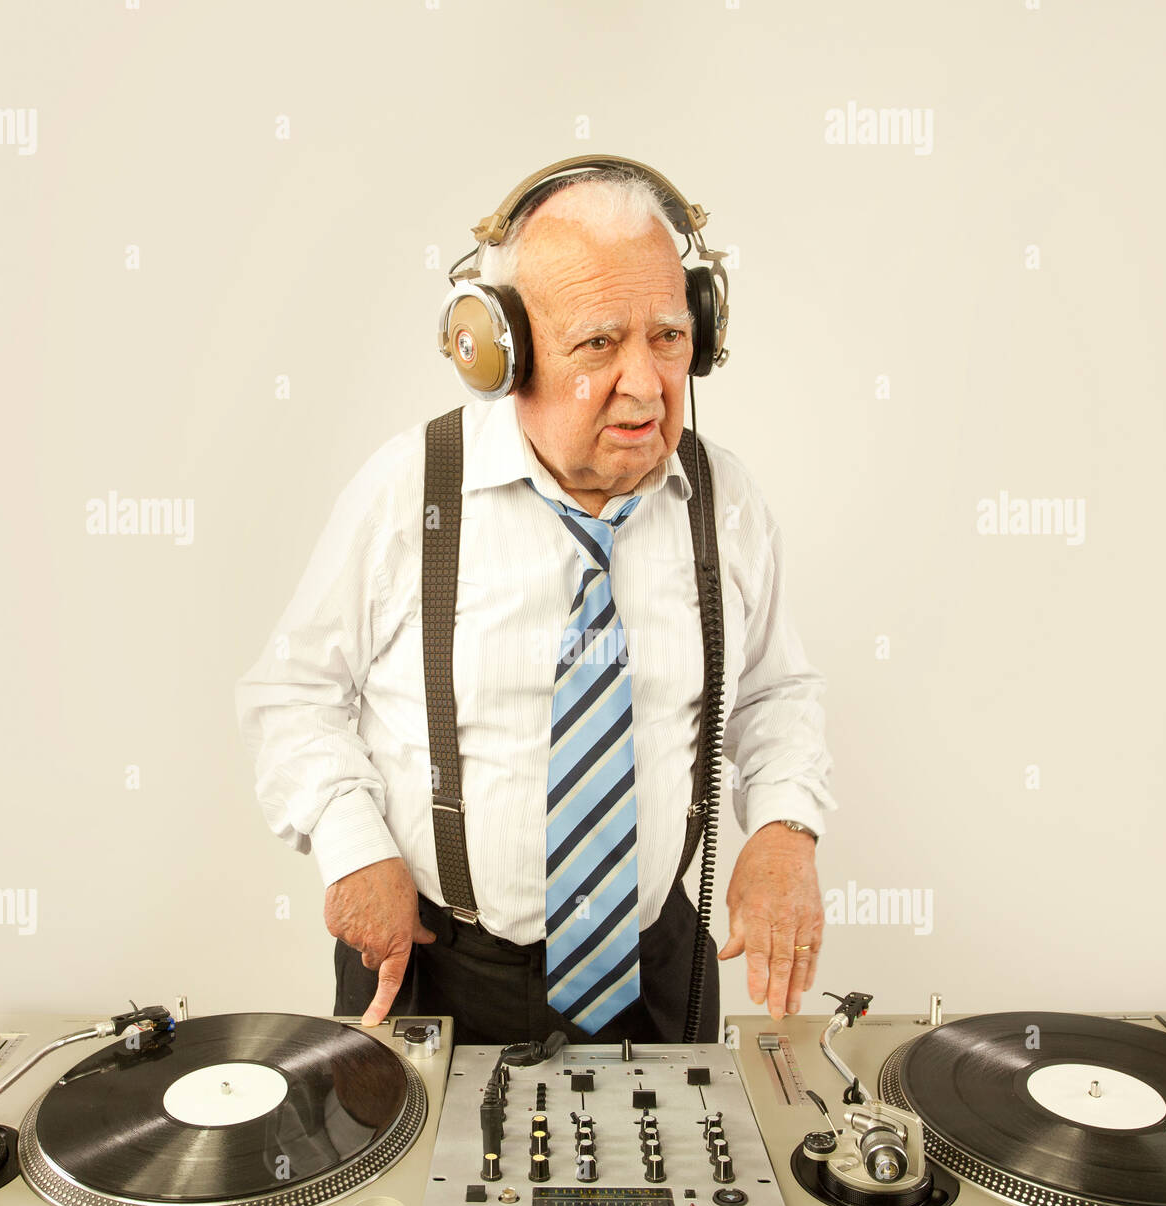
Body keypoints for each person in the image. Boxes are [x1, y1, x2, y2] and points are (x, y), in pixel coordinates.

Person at [236, 160, 835, 1045]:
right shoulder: (412, 490)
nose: (643, 381)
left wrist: (786, 826)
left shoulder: (724, 499)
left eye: (667, 337)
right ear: (501, 352)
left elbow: (772, 692)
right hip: (440, 972)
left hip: (656, 973)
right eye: (599, 343)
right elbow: (293, 693)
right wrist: (353, 846)